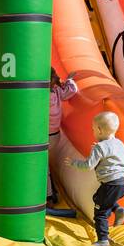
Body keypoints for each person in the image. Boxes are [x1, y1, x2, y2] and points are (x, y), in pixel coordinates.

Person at [66, 111, 124, 246]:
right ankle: (118, 209)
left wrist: (74, 163)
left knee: (100, 212)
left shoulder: (99, 147)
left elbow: (88, 166)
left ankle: (103, 240)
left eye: (93, 129)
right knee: (99, 198)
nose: (93, 131)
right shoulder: (119, 143)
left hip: (111, 183)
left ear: (99, 130)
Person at [48, 68, 78, 204]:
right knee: (45, 164)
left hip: (46, 136)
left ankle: (49, 195)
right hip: (55, 135)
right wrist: (70, 80)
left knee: (42, 165)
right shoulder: (57, 91)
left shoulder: (42, 95)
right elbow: (71, 90)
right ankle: (51, 192)